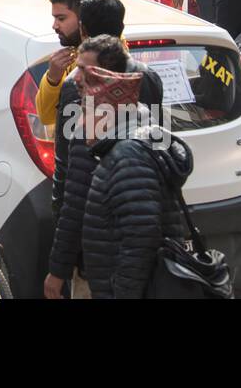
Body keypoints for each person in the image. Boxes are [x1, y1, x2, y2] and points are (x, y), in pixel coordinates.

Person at [77, 50, 185, 299]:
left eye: (86, 112)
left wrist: (123, 293)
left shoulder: (127, 157)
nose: (81, 123)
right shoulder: (120, 150)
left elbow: (141, 237)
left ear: (106, 114)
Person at [36, 0, 97, 127]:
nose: (55, 26)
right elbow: (45, 117)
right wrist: (53, 79)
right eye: (54, 18)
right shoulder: (72, 56)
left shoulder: (107, 58)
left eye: (61, 18)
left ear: (84, 19)